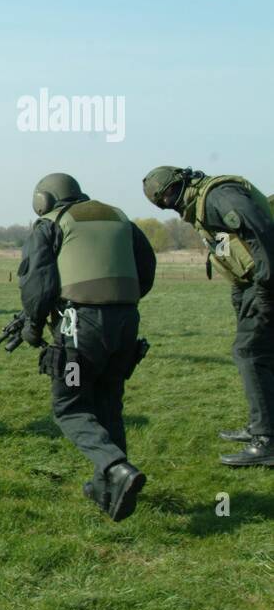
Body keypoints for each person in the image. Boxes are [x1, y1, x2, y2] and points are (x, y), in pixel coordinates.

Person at [17, 173, 156, 520]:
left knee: (71, 404)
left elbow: (38, 284)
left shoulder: (50, 224)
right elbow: (146, 270)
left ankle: (115, 467)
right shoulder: (121, 217)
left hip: (79, 332)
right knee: (109, 401)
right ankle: (108, 490)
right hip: (126, 325)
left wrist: (33, 327)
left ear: (43, 200)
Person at [143, 166, 274, 467]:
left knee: (250, 353)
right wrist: (240, 297)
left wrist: (266, 289)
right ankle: (262, 427)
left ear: (184, 181)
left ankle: (266, 441)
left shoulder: (219, 195)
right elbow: (233, 253)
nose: (170, 204)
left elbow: (262, 235)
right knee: (261, 354)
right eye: (162, 202)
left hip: (267, 281)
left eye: (171, 195)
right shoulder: (203, 206)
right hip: (255, 283)